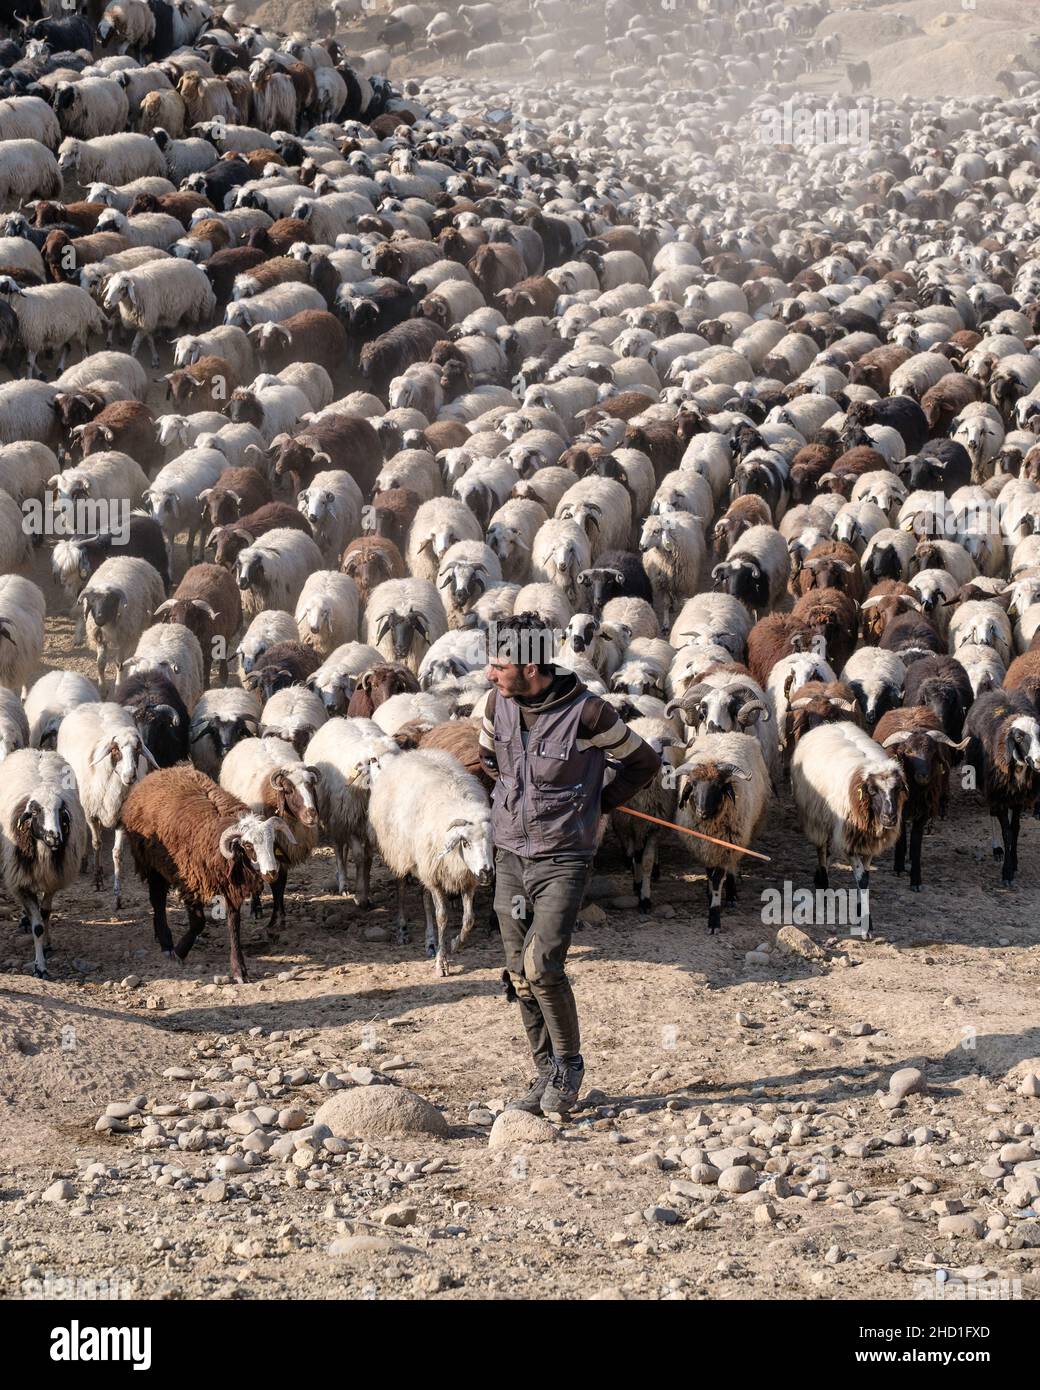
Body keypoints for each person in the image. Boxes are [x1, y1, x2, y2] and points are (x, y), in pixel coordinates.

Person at [479, 612, 661, 1116]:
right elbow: (489, 760)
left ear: (531, 664)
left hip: (563, 858)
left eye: (498, 664)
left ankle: (567, 1066)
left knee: (543, 964)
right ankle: (543, 1074)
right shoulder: (497, 703)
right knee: (518, 971)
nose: (490, 674)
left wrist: (598, 804)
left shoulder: (589, 714)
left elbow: (644, 763)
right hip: (511, 853)